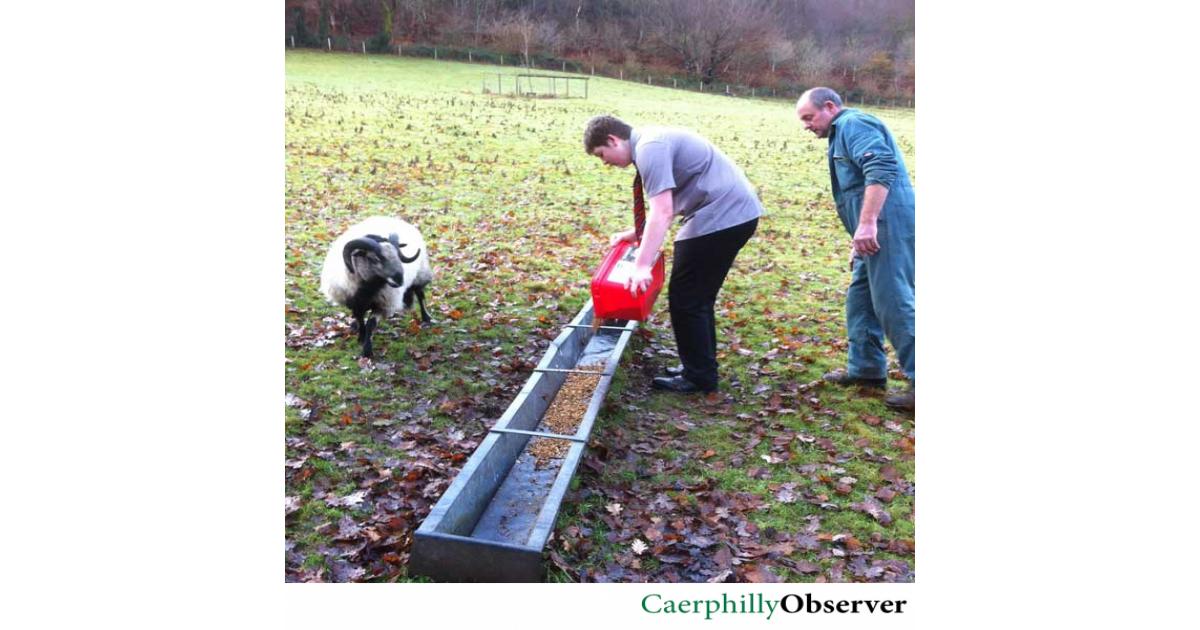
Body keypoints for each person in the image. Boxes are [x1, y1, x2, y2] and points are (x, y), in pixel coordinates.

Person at [583, 114, 762, 394]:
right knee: (696, 298)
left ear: (612, 140)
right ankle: (700, 369)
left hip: (722, 216)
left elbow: (663, 211)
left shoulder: (649, 148)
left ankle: (699, 377)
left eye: (601, 155)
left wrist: (641, 265)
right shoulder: (653, 141)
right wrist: (637, 233)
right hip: (733, 213)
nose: (605, 162)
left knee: (687, 299)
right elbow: (673, 198)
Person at [795, 87, 915, 411]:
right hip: (874, 230)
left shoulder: (853, 125)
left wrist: (868, 224)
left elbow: (880, 168)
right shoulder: (840, 132)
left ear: (830, 107)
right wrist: (858, 237)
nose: (806, 125)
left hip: (888, 226)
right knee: (860, 301)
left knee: (894, 302)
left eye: (809, 117)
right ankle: (866, 371)